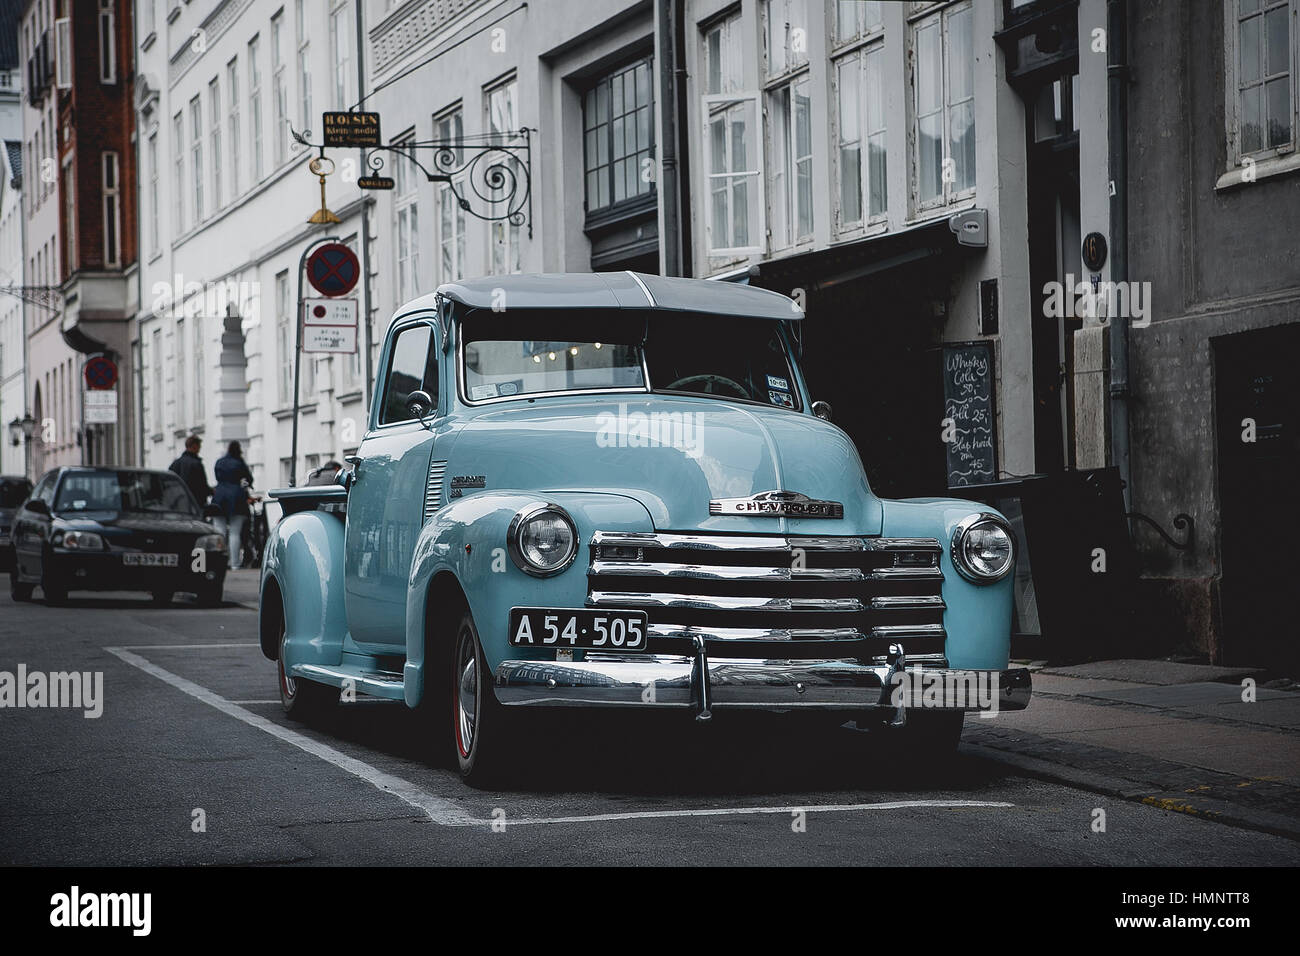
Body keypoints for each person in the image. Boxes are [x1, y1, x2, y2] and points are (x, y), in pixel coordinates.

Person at [212, 441, 255, 570]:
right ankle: (235, 563)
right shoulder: (239, 463)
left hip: (219, 496)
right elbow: (249, 479)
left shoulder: (219, 462)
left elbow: (217, 477)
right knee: (235, 533)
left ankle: (218, 561)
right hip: (236, 497)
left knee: (219, 531)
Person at [169, 435, 212, 507]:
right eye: (199, 446)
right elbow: (202, 485)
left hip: (179, 503)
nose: (200, 449)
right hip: (195, 503)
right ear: (194, 446)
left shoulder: (176, 463)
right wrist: (211, 492)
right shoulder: (196, 464)